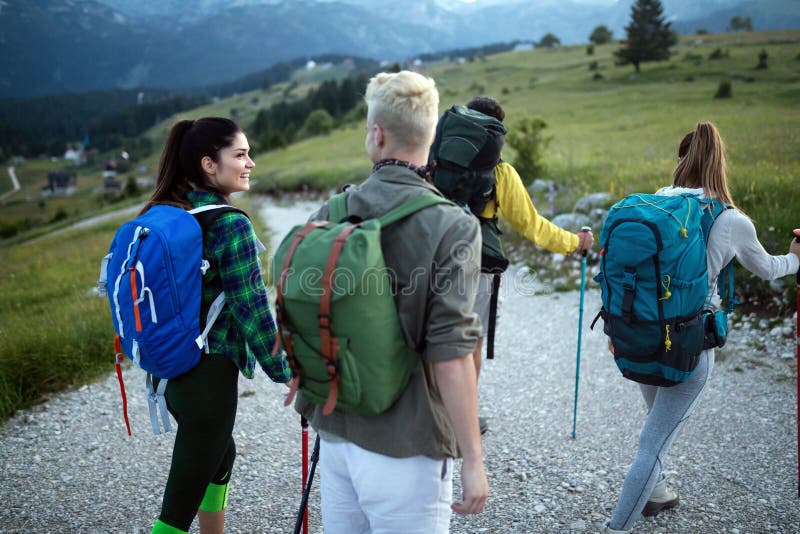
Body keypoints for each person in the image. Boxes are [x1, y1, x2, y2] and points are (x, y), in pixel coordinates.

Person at [294, 70, 489, 533]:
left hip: (336, 432)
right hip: (408, 444)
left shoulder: (332, 212)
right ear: (431, 135)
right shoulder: (452, 226)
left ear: (377, 135)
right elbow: (452, 353)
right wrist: (473, 459)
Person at [603, 121, 800, 533]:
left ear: (681, 161)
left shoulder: (659, 205)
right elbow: (768, 270)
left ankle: (655, 494)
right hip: (688, 348)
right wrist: (796, 256)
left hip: (639, 336)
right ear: (720, 165)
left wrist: (615, 333)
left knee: (654, 423)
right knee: (652, 445)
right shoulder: (733, 220)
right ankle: (616, 528)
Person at [145, 117, 292, 534]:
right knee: (173, 517)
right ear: (210, 165)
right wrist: (289, 373)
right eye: (241, 155)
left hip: (171, 374)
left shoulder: (170, 212)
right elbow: (252, 311)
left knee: (219, 460)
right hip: (208, 381)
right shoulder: (230, 224)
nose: (251, 163)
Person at [464, 96, 594, 433]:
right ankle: (461, 419)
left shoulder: (435, 163)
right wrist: (574, 243)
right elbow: (533, 226)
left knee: (432, 340)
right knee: (470, 342)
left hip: (431, 262)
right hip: (479, 265)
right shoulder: (500, 172)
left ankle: (431, 413)